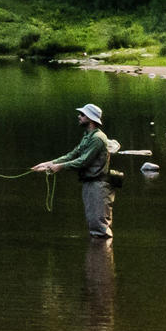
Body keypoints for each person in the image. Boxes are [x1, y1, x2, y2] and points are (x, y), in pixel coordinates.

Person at [34, 103, 117, 241]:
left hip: (99, 186)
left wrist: (59, 167)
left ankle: (103, 259)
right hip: (90, 185)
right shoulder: (88, 136)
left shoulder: (98, 138)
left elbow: (83, 161)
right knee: (93, 225)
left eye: (82, 114)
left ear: (90, 118)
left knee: (100, 228)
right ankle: (97, 261)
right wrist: (49, 164)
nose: (79, 116)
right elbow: (72, 155)